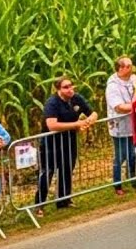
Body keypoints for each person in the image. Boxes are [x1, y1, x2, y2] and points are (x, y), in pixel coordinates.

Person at [35, 76, 97, 215]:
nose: (70, 89)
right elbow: (51, 125)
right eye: (66, 87)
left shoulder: (76, 98)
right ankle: (39, 205)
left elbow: (93, 113)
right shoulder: (52, 103)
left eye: (71, 86)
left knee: (67, 169)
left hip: (69, 141)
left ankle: (64, 200)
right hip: (51, 144)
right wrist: (76, 124)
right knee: (47, 173)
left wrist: (88, 121)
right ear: (58, 89)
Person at [106, 56, 136, 195]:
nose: (132, 68)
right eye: (129, 66)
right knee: (120, 156)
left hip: (133, 125)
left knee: (133, 154)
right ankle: (117, 184)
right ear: (121, 68)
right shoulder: (113, 86)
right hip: (120, 126)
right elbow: (119, 107)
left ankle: (133, 179)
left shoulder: (134, 80)